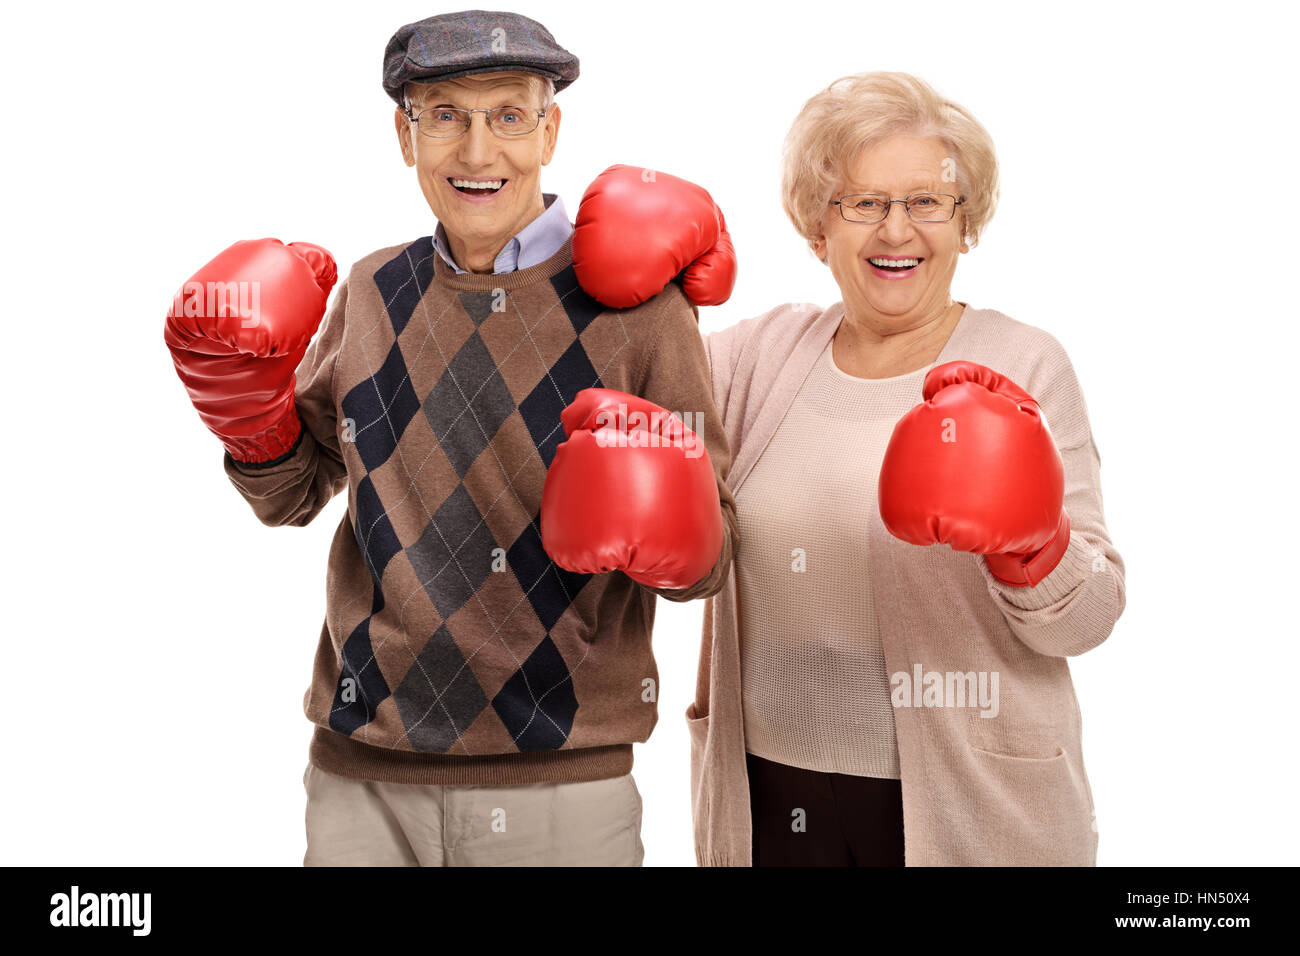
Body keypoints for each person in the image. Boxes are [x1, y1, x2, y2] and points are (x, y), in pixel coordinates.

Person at [163, 10, 739, 866]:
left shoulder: (642, 309)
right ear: (405, 136)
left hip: (563, 786)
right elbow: (292, 496)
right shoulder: (371, 289)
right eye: (445, 117)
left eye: (508, 115)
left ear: (552, 130)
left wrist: (673, 526)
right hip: (363, 779)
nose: (477, 152)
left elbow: (714, 560)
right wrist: (249, 417)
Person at [668, 71, 1124, 865]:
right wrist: (645, 298)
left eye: (926, 202)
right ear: (817, 227)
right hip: (771, 794)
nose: (896, 231)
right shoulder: (752, 359)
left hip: (967, 799)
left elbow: (1091, 618)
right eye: (864, 203)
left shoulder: (1024, 362)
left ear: (965, 222)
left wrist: (1033, 548)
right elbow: (616, 418)